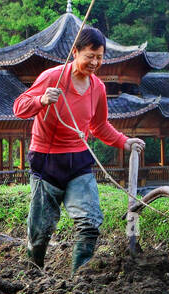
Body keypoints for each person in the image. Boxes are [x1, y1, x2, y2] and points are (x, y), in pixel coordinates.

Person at [12, 25, 144, 272]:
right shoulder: (53, 77)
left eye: (99, 57)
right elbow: (19, 107)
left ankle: (79, 278)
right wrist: (41, 100)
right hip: (47, 161)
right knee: (40, 230)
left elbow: (100, 126)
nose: (95, 62)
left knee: (90, 222)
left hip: (79, 162)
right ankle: (34, 275)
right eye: (89, 56)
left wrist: (125, 142)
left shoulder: (97, 88)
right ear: (75, 52)